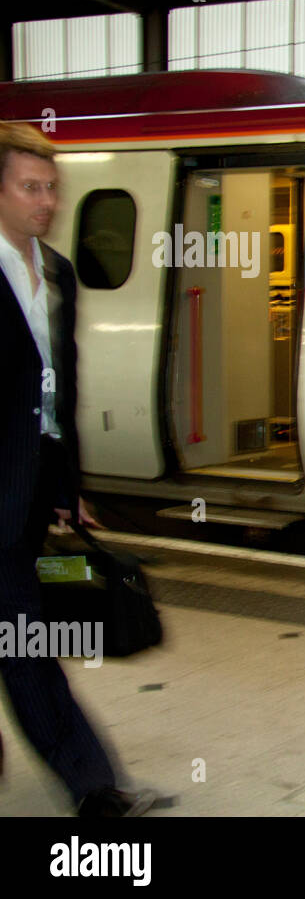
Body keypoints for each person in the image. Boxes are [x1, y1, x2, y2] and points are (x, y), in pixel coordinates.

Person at [0, 121, 154, 816]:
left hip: (31, 491)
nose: (47, 202)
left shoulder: (56, 272)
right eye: (31, 188)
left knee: (21, 636)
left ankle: (89, 783)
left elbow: (62, 386)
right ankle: (92, 787)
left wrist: (68, 488)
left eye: (53, 189)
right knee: (25, 638)